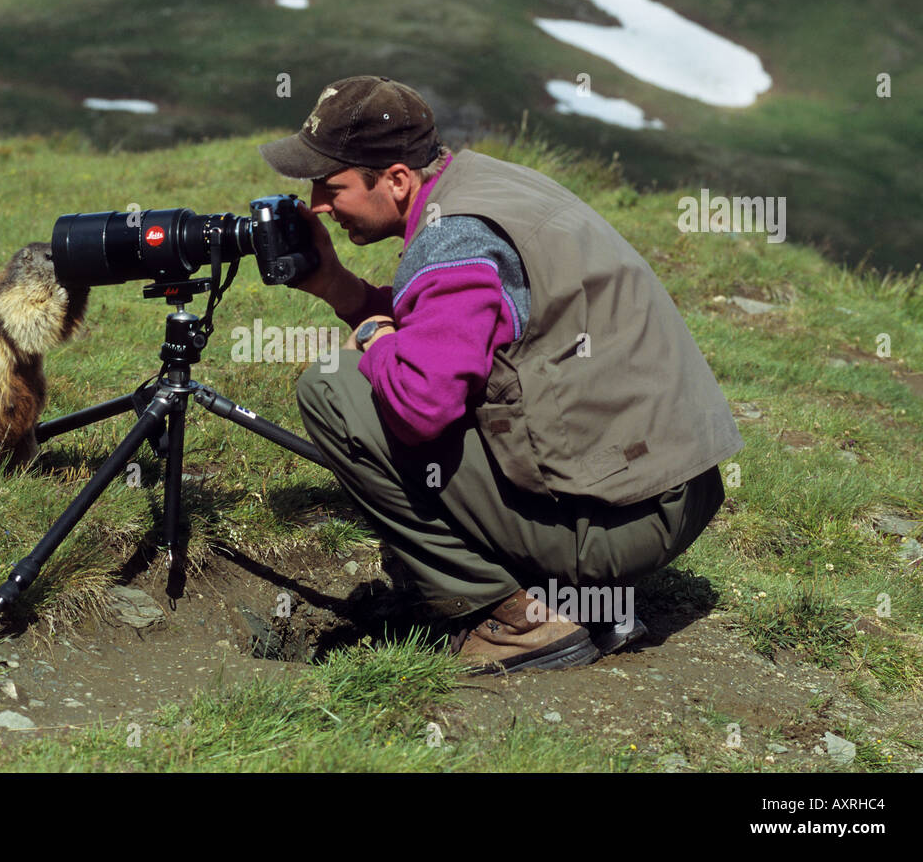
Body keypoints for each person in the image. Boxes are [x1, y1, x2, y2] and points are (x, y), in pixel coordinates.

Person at [258, 75, 743, 673]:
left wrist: (374, 336)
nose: (317, 207)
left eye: (330, 187)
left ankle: (517, 621)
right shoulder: (484, 187)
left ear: (397, 179)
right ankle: (579, 593)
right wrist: (339, 288)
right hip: (673, 490)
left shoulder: (451, 239)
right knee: (397, 373)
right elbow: (453, 330)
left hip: (630, 522)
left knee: (333, 387)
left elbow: (421, 405)